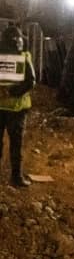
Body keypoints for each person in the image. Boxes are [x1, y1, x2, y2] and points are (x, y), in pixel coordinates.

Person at [0, 25, 36, 187]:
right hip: (17, 109)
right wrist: (13, 92)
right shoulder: (23, 56)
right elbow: (31, 81)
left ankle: (14, 177)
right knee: (16, 145)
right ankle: (16, 177)